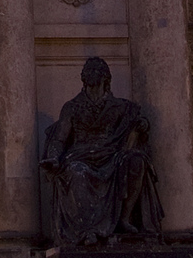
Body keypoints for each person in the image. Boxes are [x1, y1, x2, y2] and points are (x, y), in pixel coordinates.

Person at [40, 57, 161, 246]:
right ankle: (86, 229)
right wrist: (54, 158)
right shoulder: (72, 107)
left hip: (112, 156)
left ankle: (124, 217)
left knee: (136, 160)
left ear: (107, 78)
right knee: (76, 172)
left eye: (97, 71)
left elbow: (137, 120)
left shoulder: (121, 107)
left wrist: (142, 124)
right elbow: (59, 138)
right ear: (83, 78)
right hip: (80, 155)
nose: (92, 74)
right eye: (89, 71)